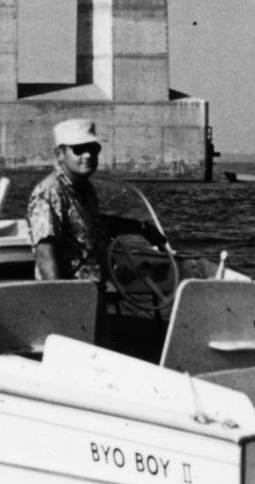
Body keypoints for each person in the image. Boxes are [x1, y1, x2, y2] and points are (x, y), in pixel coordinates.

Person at [26, 118, 179, 361]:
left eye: (93, 149)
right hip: (69, 300)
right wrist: (60, 306)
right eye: (79, 150)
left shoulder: (84, 189)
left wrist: (141, 227)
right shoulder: (50, 191)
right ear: (60, 153)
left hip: (92, 295)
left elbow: (94, 224)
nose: (87, 155)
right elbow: (46, 251)